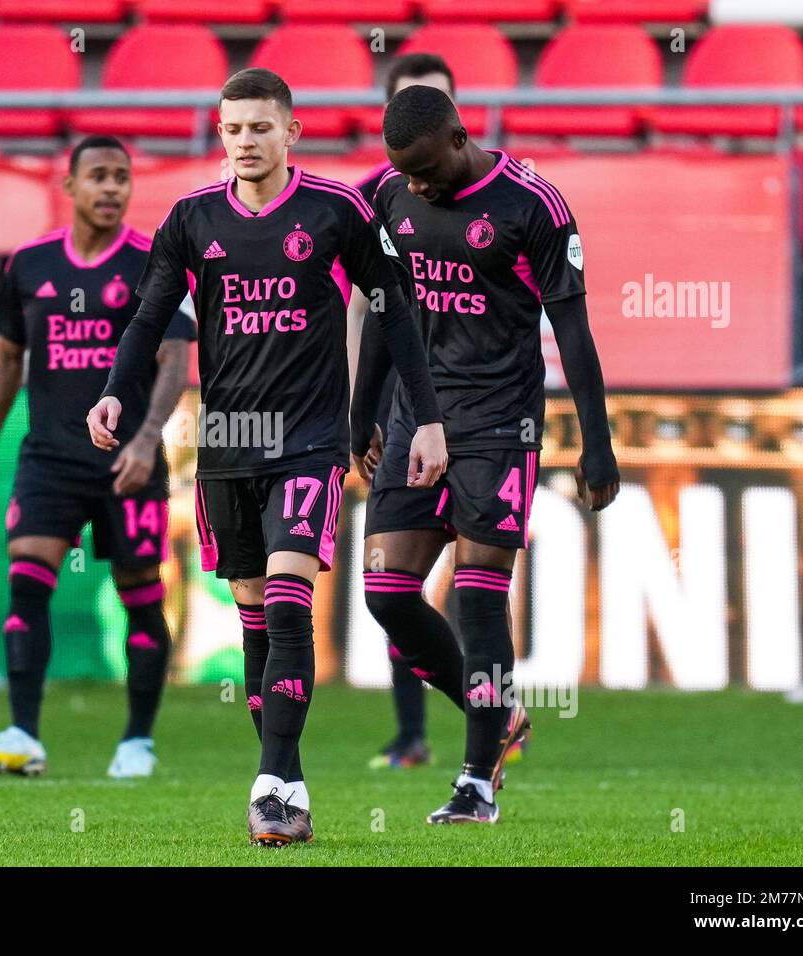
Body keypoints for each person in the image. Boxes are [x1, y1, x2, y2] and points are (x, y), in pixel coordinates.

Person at [87, 69, 447, 847]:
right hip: (228, 441)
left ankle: (270, 783)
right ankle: (287, 779)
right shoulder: (190, 219)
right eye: (233, 130)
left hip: (309, 440)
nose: (246, 142)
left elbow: (397, 311)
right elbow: (150, 316)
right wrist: (116, 390)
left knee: (289, 597)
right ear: (221, 136)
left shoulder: (336, 211)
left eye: (260, 128)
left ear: (292, 132)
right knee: (254, 614)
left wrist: (425, 419)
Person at [352, 85, 620, 825]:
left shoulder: (533, 205)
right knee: (386, 593)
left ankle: (475, 780)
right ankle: (499, 713)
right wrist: (361, 413)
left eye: (427, 171)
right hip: (415, 415)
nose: (416, 186)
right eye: (404, 173)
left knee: (477, 593)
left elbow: (574, 329)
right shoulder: (389, 198)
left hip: (501, 425)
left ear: (461, 137)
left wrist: (597, 443)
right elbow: (386, 307)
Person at [0, 135, 196, 779]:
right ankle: (22, 733)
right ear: (69, 187)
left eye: (121, 177)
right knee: (25, 584)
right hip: (49, 458)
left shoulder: (155, 262)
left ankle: (138, 741)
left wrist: (149, 439)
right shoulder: (30, 266)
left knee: (142, 598)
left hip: (129, 464)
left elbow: (175, 355)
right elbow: (9, 357)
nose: (111, 188)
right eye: (98, 176)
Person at [351, 52, 457, 772]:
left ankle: (487, 731)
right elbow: (363, 302)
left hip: (480, 405)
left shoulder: (506, 191)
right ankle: (412, 731)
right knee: (395, 578)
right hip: (401, 403)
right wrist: (359, 402)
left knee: (480, 577)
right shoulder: (372, 198)